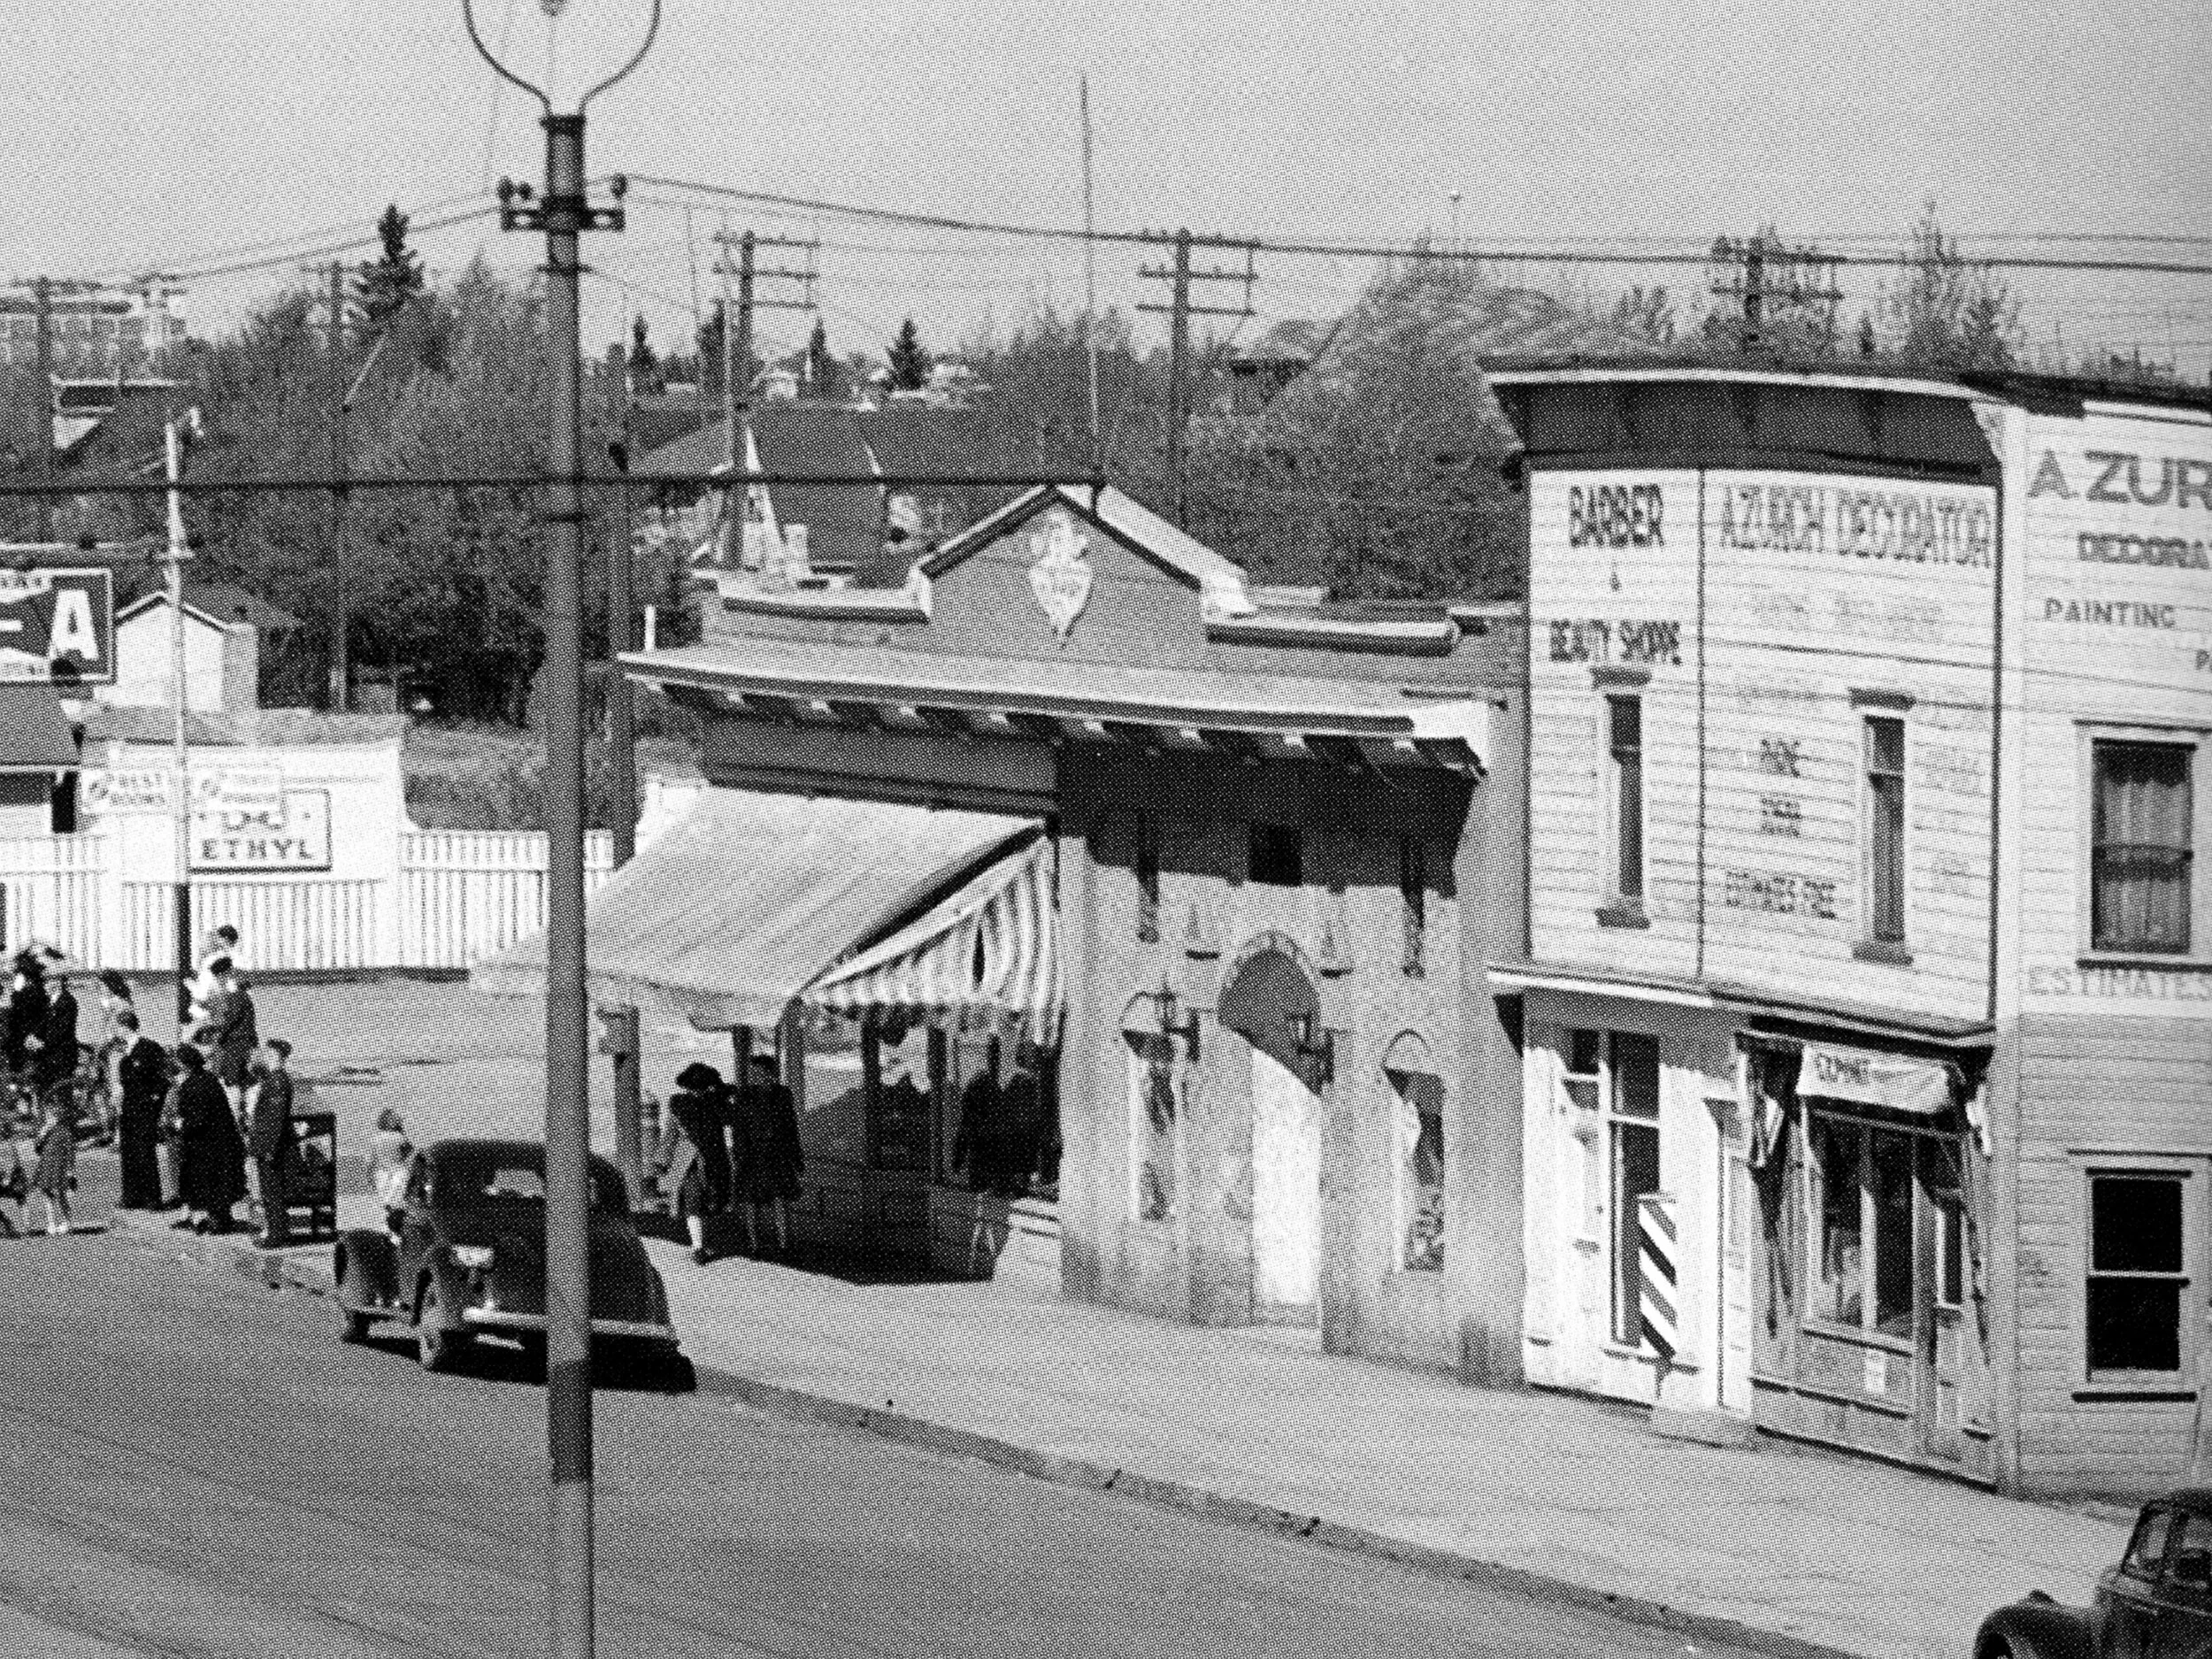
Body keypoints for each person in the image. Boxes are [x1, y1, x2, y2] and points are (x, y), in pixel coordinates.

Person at [657, 1061, 731, 1265]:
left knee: (693, 1205)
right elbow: (730, 1119)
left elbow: (670, 1135)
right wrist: (722, 1089)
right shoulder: (716, 1104)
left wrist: (661, 1162)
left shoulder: (678, 1105)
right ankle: (699, 1247)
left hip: (686, 1161)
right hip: (712, 1159)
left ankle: (698, 1247)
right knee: (708, 1201)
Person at [733, 1052, 803, 1256]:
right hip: (752, 1156)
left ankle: (783, 1245)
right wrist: (739, 1156)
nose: (753, 1075)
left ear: (768, 1073)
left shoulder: (782, 1094)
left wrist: (796, 1159)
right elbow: (739, 1128)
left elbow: (791, 1127)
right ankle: (755, 1246)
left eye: (757, 1072)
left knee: (779, 1200)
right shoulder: (744, 1095)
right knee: (751, 1202)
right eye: (751, 1072)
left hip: (777, 1155)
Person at [173, 1045, 245, 1234]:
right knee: (216, 1182)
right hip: (220, 1140)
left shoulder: (195, 1085)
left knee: (211, 1182)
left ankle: (217, 1222)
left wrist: (180, 1125)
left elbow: (199, 1118)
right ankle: (213, 1218)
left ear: (184, 1064)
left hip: (209, 1143)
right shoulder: (208, 1079)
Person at [114, 1010, 169, 1210]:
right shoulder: (126, 1051)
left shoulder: (148, 1048)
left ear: (124, 1026)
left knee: (145, 1151)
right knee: (128, 1152)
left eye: (118, 1026)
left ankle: (152, 1197)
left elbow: (160, 1079)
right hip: (129, 1106)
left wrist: (155, 1102)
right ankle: (132, 1195)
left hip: (144, 1107)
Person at [247, 1039, 296, 1248]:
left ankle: (276, 1235)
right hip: (267, 1143)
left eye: (267, 1053)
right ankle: (280, 1230)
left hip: (270, 1145)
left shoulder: (277, 1081)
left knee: (272, 1190)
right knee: (270, 1189)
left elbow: (275, 1119)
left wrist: (269, 1149)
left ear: (274, 1056)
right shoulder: (275, 1079)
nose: (263, 1056)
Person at [202, 960, 258, 1118]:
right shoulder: (242, 996)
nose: (224, 980)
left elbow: (230, 1020)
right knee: (245, 1080)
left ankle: (232, 1115)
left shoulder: (236, 997)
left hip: (236, 1043)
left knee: (232, 1080)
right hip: (242, 1043)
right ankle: (246, 1112)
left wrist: (218, 1038)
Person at [30, 1089, 74, 1236]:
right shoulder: (44, 1131)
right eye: (48, 1116)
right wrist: (42, 1133)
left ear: (58, 1117)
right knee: (47, 1195)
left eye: (52, 1116)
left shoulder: (64, 1131)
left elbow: (70, 1152)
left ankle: (67, 1223)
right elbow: (37, 1149)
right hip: (46, 1166)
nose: (49, 1119)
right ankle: (51, 1224)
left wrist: (70, 1171)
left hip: (59, 1167)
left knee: (61, 1195)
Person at [5, 952, 50, 1078]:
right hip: (25, 1038)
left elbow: (20, 1012)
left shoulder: (31, 992)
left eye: (19, 975)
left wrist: (16, 991)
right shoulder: (37, 990)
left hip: (26, 1040)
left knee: (23, 1074)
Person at [368, 1109, 412, 1234]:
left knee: (388, 1205)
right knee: (399, 1205)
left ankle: (389, 1229)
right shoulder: (400, 1138)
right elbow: (410, 1157)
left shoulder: (375, 1139)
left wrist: (370, 1179)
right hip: (399, 1173)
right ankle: (396, 1230)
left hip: (381, 1174)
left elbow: (371, 1162)